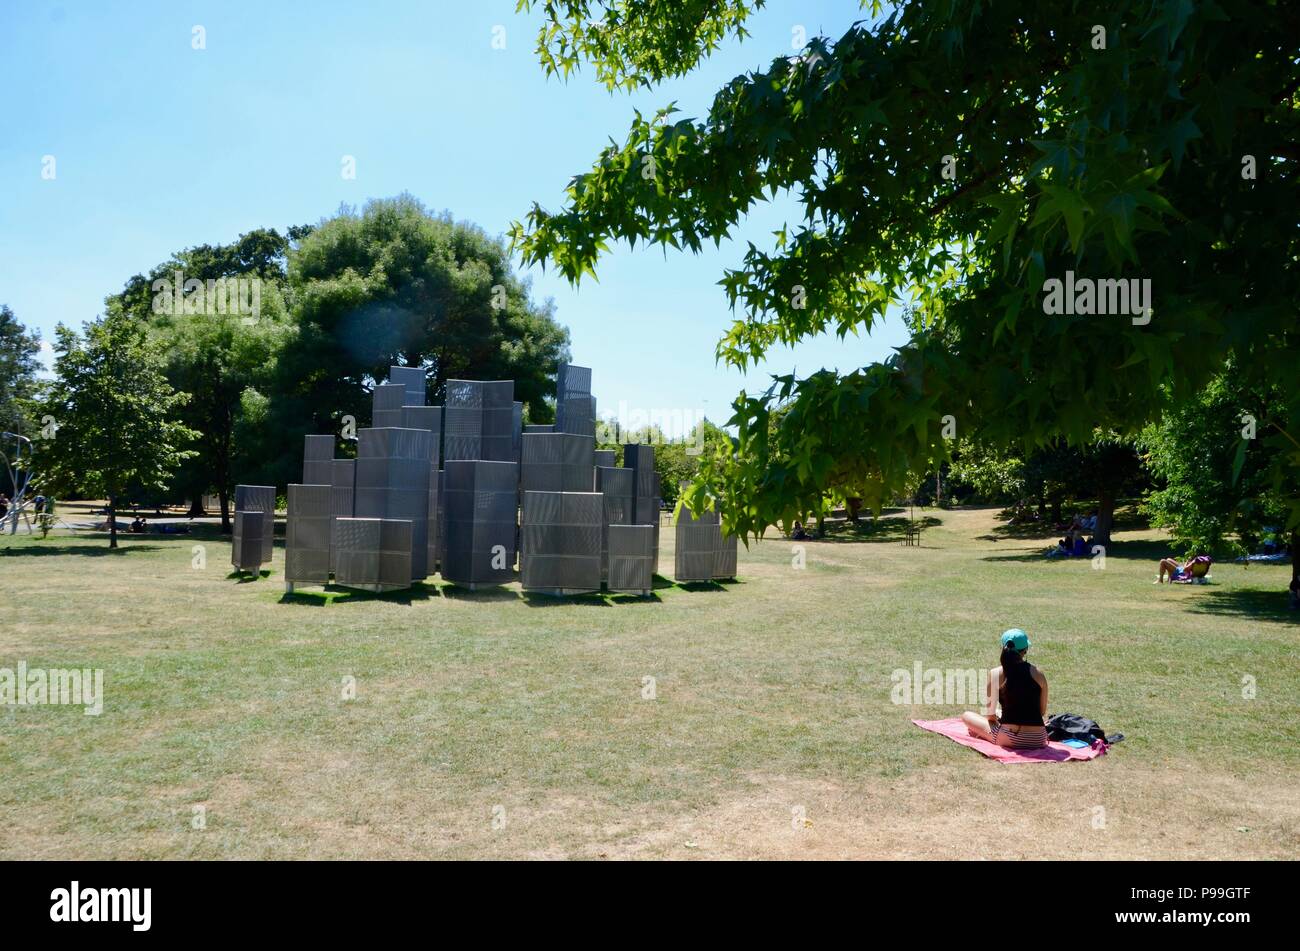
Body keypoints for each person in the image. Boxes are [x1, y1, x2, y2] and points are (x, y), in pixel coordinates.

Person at [961, 629, 1049, 750]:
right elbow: (1042, 712)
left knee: (967, 716)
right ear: (1025, 650)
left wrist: (1000, 719)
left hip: (1009, 738)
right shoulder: (1039, 673)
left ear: (1003, 647)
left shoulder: (995, 673)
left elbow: (990, 715)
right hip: (1039, 739)